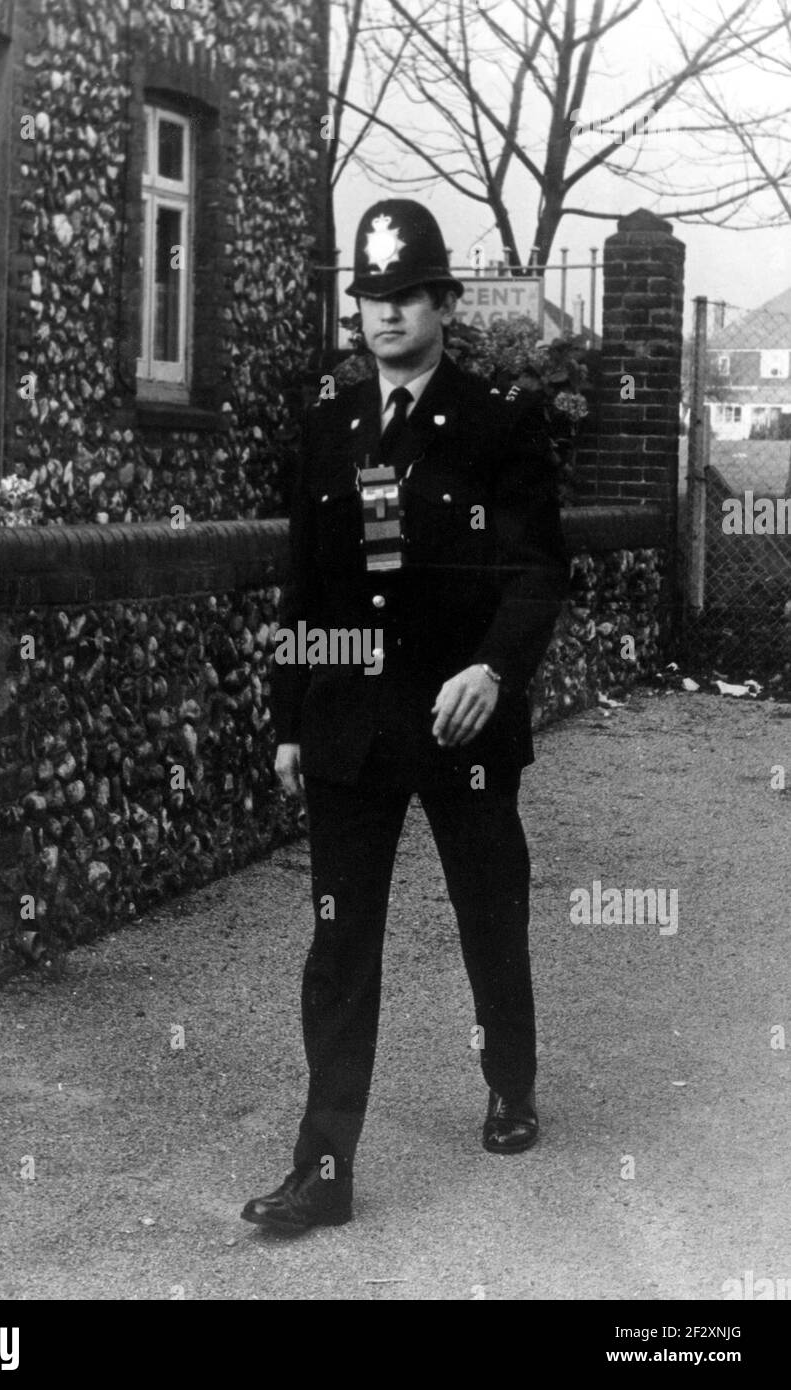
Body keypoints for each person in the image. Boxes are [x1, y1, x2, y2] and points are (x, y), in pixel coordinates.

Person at [242, 199, 569, 1231]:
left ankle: (508, 1079)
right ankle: (323, 1169)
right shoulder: (327, 428)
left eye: (404, 295)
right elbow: (304, 584)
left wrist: (492, 672)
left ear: (441, 301)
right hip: (348, 723)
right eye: (370, 298)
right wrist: (288, 719)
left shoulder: (496, 425)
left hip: (458, 723)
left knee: (489, 912)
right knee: (338, 947)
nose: (385, 315)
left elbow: (534, 572)